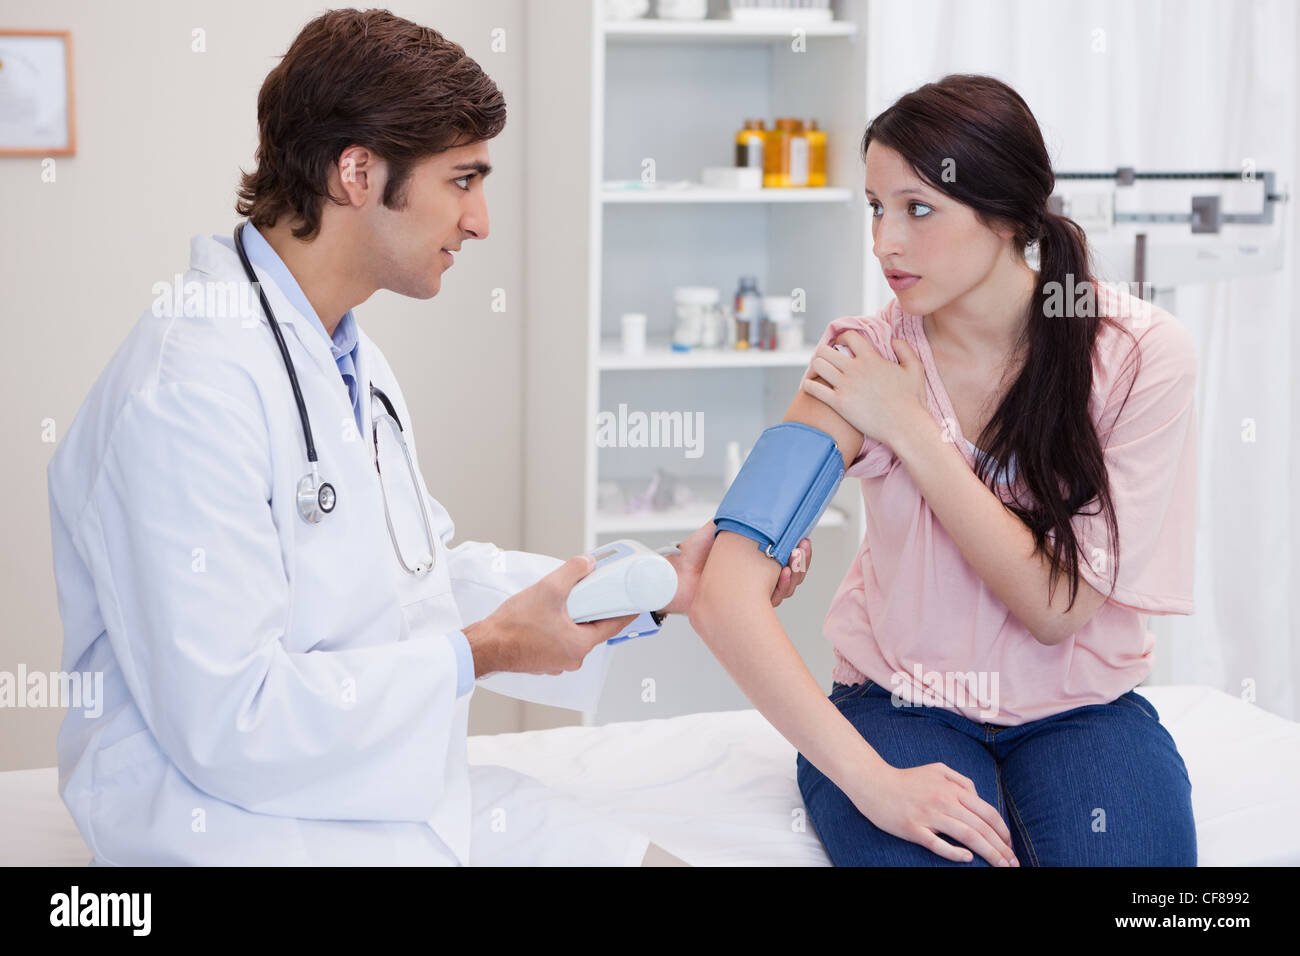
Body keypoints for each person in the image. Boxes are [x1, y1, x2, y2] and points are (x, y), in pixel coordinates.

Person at [45, 8, 810, 867]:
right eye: (462, 179)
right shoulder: (187, 392)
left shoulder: (340, 352)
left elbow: (419, 581)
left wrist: (661, 582)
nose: (480, 220)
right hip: (236, 819)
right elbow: (232, 721)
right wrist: (485, 651)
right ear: (357, 174)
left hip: (367, 783)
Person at [690, 74, 1199, 866]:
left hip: (1081, 711)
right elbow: (724, 591)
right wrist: (871, 781)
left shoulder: (1136, 356)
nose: (885, 242)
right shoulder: (857, 359)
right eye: (875, 207)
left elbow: (1057, 608)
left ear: (1006, 216)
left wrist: (909, 427)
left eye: (918, 208)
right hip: (898, 707)